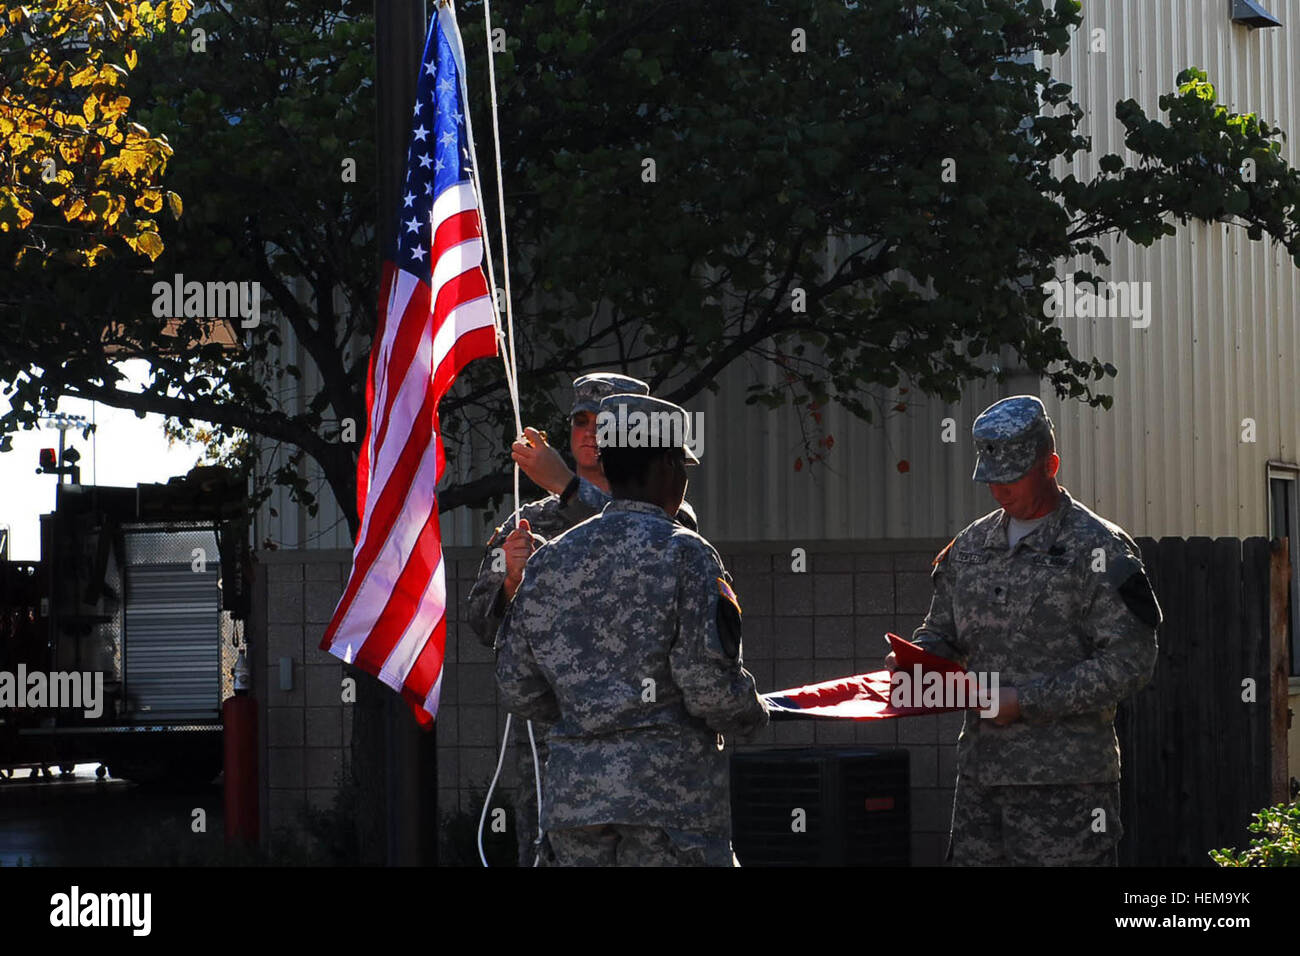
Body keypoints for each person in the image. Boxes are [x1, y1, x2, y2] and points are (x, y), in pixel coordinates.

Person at [495, 394, 769, 866]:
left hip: (576, 807)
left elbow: (517, 688)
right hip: (667, 806)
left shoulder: (550, 560)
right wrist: (754, 715)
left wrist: (587, 718)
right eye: (681, 465)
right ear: (666, 466)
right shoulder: (686, 553)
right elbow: (710, 691)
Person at [897, 394, 1160, 866]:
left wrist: (1027, 701)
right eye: (991, 478)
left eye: (1012, 477)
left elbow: (1130, 662)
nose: (999, 490)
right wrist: (918, 660)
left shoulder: (1097, 547)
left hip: (1065, 789)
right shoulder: (973, 545)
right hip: (982, 779)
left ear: (1050, 465)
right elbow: (942, 630)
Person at [464, 372, 696, 864]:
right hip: (560, 750)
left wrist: (567, 486)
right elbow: (483, 624)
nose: (590, 433)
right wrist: (511, 581)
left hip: (649, 752)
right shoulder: (530, 519)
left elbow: (640, 540)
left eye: (603, 422)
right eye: (580, 421)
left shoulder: (673, 515)